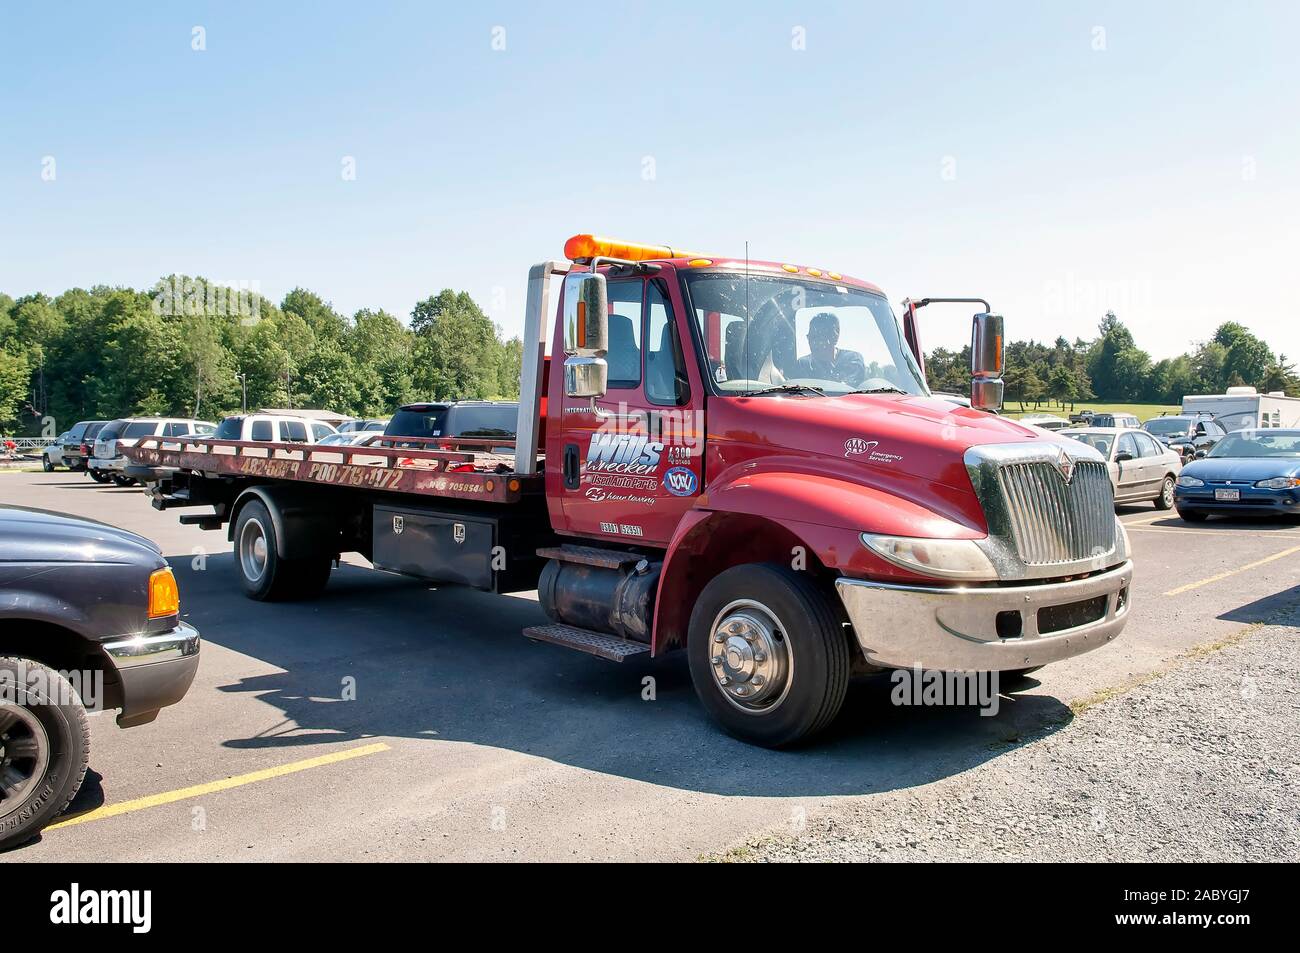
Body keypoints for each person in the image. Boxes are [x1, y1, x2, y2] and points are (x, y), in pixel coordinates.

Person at [794, 312, 866, 386]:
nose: (812, 342)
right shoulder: (803, 364)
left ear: (834, 337)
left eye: (818, 337)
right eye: (811, 337)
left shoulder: (852, 359)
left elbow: (845, 390)